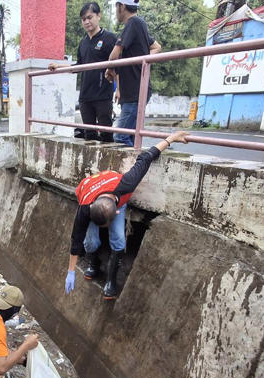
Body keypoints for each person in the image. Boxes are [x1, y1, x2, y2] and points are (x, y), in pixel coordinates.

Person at [64, 130, 189, 299]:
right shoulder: (85, 207)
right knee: (90, 242)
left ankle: (111, 280)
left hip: (115, 196)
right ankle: (93, 263)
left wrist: (171, 138)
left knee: (118, 239)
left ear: (116, 213)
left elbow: (146, 157)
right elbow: (76, 239)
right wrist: (70, 272)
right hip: (92, 194)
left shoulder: (127, 183)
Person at [49, 2, 117, 142]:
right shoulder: (83, 43)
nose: (86, 21)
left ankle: (108, 164)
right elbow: (79, 66)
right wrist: (59, 66)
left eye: (89, 17)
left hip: (103, 95)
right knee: (89, 135)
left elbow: (119, 65)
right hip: (85, 96)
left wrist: (120, 89)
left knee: (106, 134)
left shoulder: (109, 39)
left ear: (99, 16)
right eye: (83, 19)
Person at [104, 0, 162, 146]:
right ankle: (136, 165)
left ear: (121, 6)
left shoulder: (133, 23)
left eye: (116, 6)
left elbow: (113, 55)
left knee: (121, 137)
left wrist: (110, 68)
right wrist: (141, 58)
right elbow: (156, 47)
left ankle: (137, 165)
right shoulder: (139, 24)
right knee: (131, 136)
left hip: (135, 91)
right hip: (132, 90)